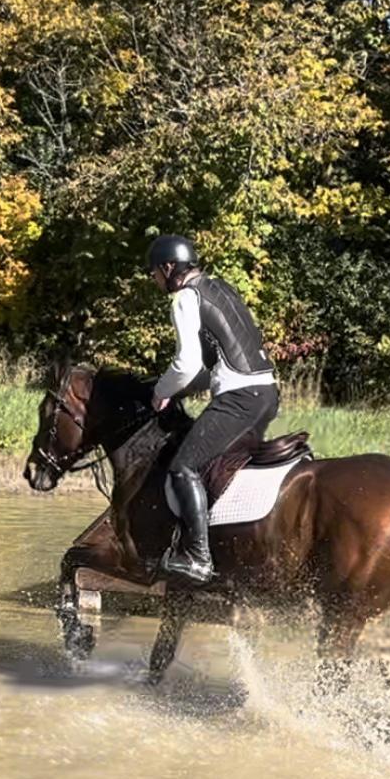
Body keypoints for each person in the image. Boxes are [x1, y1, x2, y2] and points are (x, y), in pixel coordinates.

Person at [147, 234, 279, 583]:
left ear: (169, 268)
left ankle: (198, 558)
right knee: (222, 468)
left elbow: (186, 364)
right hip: (267, 394)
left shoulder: (185, 298)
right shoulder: (221, 288)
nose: (155, 280)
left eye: (154, 273)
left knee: (183, 468)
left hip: (240, 399)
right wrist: (185, 387)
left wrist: (161, 391)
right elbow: (221, 365)